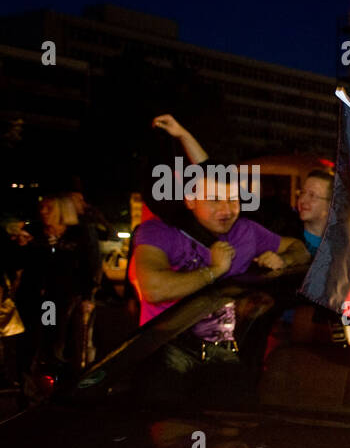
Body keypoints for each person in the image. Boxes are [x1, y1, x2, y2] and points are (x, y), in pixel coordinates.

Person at [129, 174, 308, 401]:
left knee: (233, 425)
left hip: (222, 353)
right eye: (214, 200)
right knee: (168, 428)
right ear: (190, 200)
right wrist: (214, 270)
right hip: (165, 350)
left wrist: (284, 260)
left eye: (234, 200)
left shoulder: (246, 232)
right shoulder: (159, 231)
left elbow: (298, 248)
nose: (227, 209)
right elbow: (154, 289)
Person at [13, 193, 102, 386]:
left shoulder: (77, 234)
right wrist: (20, 246)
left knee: (53, 337)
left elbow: (87, 266)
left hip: (58, 298)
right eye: (42, 208)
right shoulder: (34, 231)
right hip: (32, 296)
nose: (44, 212)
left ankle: (54, 379)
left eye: (49, 208)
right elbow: (19, 263)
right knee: (30, 341)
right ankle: (29, 383)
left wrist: (88, 295)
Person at [294, 170, 333, 257]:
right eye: (302, 192)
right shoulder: (286, 237)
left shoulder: (341, 247)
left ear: (330, 205)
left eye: (312, 195)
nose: (302, 200)